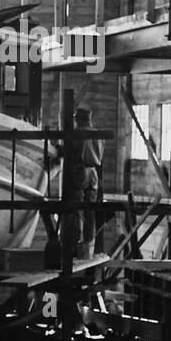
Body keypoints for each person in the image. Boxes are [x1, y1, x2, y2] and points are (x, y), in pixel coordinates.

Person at [68, 105, 104, 257]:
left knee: (75, 208)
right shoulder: (98, 135)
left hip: (80, 171)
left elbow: (70, 152)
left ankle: (75, 242)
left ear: (78, 120)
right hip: (94, 173)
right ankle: (88, 244)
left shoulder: (76, 133)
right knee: (90, 211)